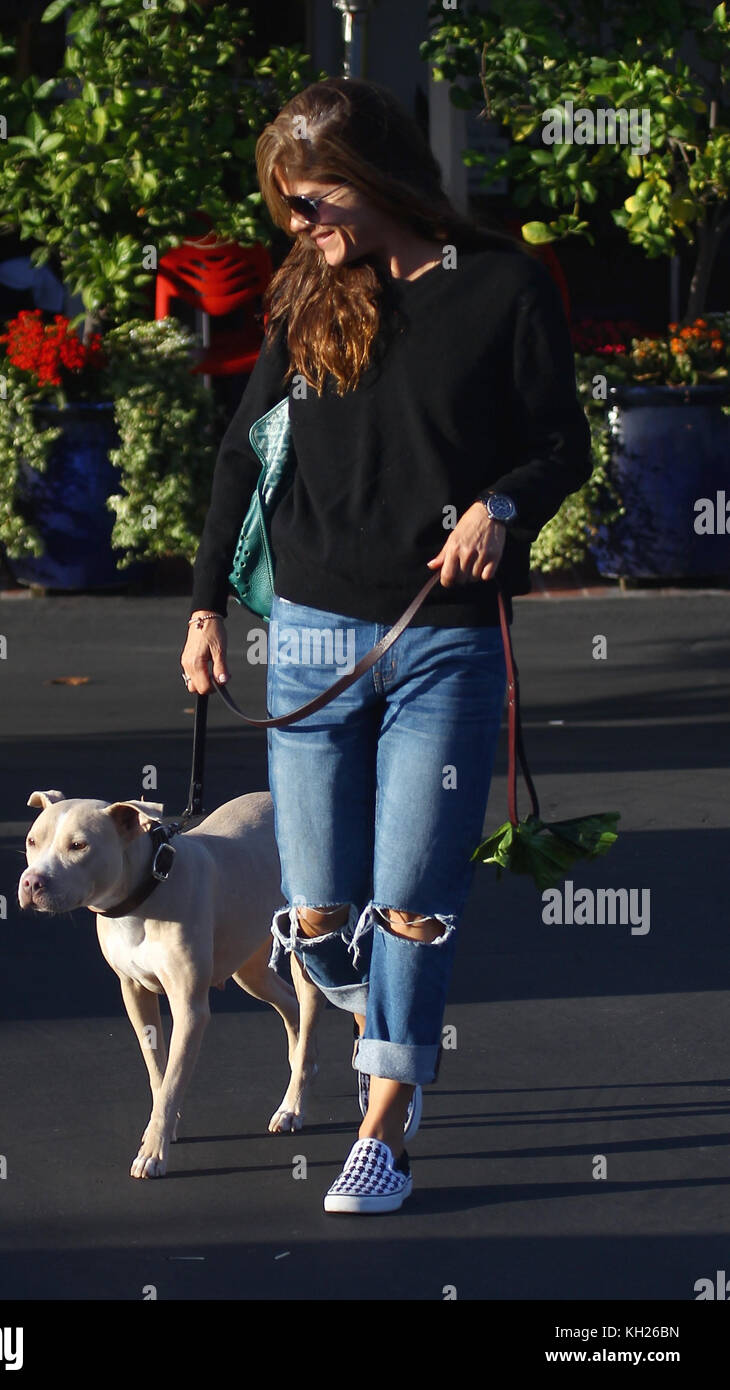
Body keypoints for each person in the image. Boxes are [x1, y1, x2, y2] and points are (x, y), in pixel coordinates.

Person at [180, 77, 592, 1214]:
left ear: (376, 179)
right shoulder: (311, 292)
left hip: (443, 643)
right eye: (290, 212)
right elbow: (240, 455)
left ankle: (388, 1119)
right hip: (310, 640)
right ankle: (377, 997)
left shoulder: (501, 285)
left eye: (312, 202)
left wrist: (501, 507)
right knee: (317, 910)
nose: (301, 228)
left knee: (412, 896)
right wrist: (208, 604)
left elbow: (563, 443)